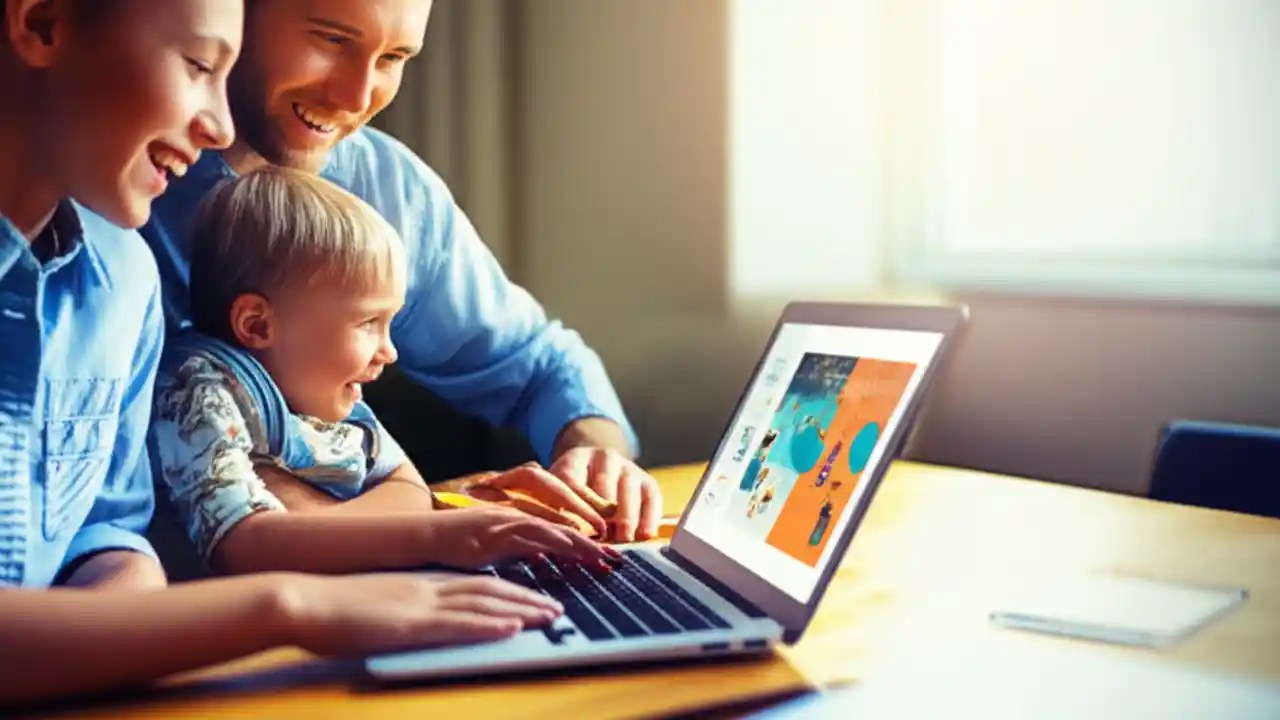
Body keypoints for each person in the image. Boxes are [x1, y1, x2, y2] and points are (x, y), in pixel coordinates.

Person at [0, 0, 560, 706]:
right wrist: (285, 605)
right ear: (44, 22)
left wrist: (128, 638)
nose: (221, 128)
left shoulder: (121, 281)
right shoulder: (164, 287)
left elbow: (106, 534)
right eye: (200, 65)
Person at [141, 0, 664, 543]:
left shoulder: (388, 192)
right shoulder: (117, 174)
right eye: (331, 40)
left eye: (392, 58)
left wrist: (595, 458)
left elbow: (540, 367)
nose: (356, 98)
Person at [151, 166, 617, 575]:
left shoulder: (331, 392)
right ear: (257, 324)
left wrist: (311, 532)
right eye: (368, 323)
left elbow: (408, 492)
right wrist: (432, 535)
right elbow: (243, 546)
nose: (389, 352)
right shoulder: (200, 390)